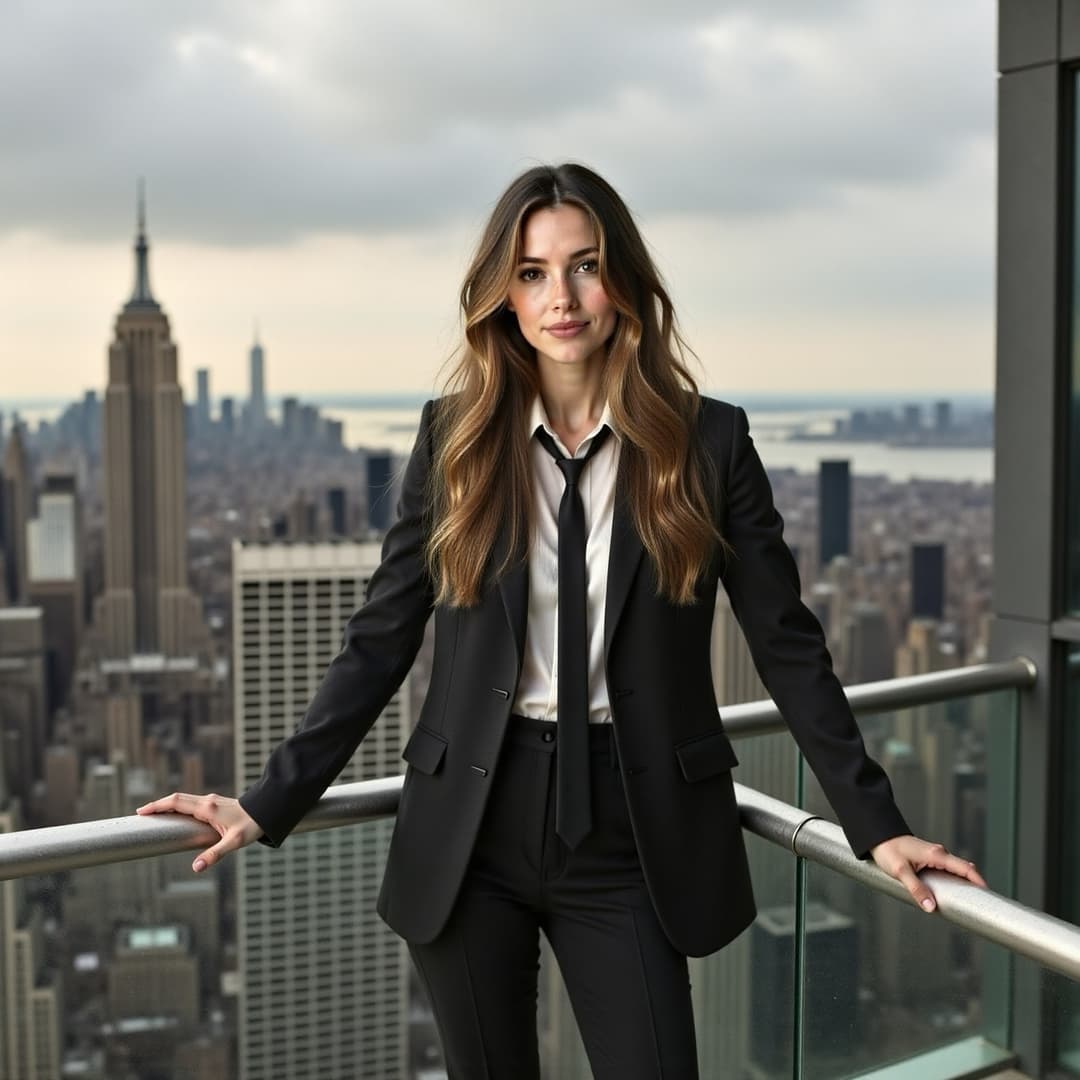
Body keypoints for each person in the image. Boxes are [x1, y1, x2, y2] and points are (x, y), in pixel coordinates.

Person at [138, 162, 986, 1078]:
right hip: (472, 824)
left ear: (623, 279)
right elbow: (381, 638)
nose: (562, 297)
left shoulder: (710, 444)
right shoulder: (454, 438)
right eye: (534, 272)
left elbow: (786, 643)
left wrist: (876, 822)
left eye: (584, 265)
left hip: (633, 830)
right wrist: (269, 803)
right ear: (504, 294)